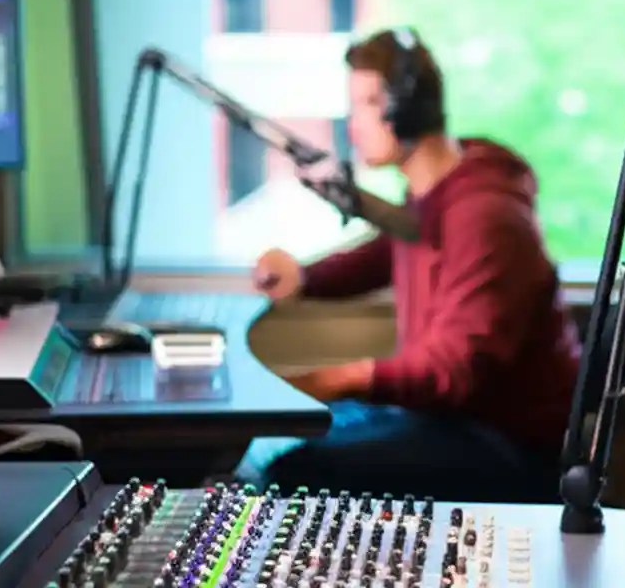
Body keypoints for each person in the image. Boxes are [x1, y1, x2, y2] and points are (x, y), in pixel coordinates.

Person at [237, 27, 581, 502]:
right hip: (448, 419)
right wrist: (305, 278)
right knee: (282, 445)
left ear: (405, 107)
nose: (352, 123)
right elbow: (390, 249)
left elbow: (455, 369)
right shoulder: (436, 193)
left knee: (294, 467)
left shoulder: (484, 215)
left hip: (506, 445)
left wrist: (338, 378)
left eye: (366, 104)